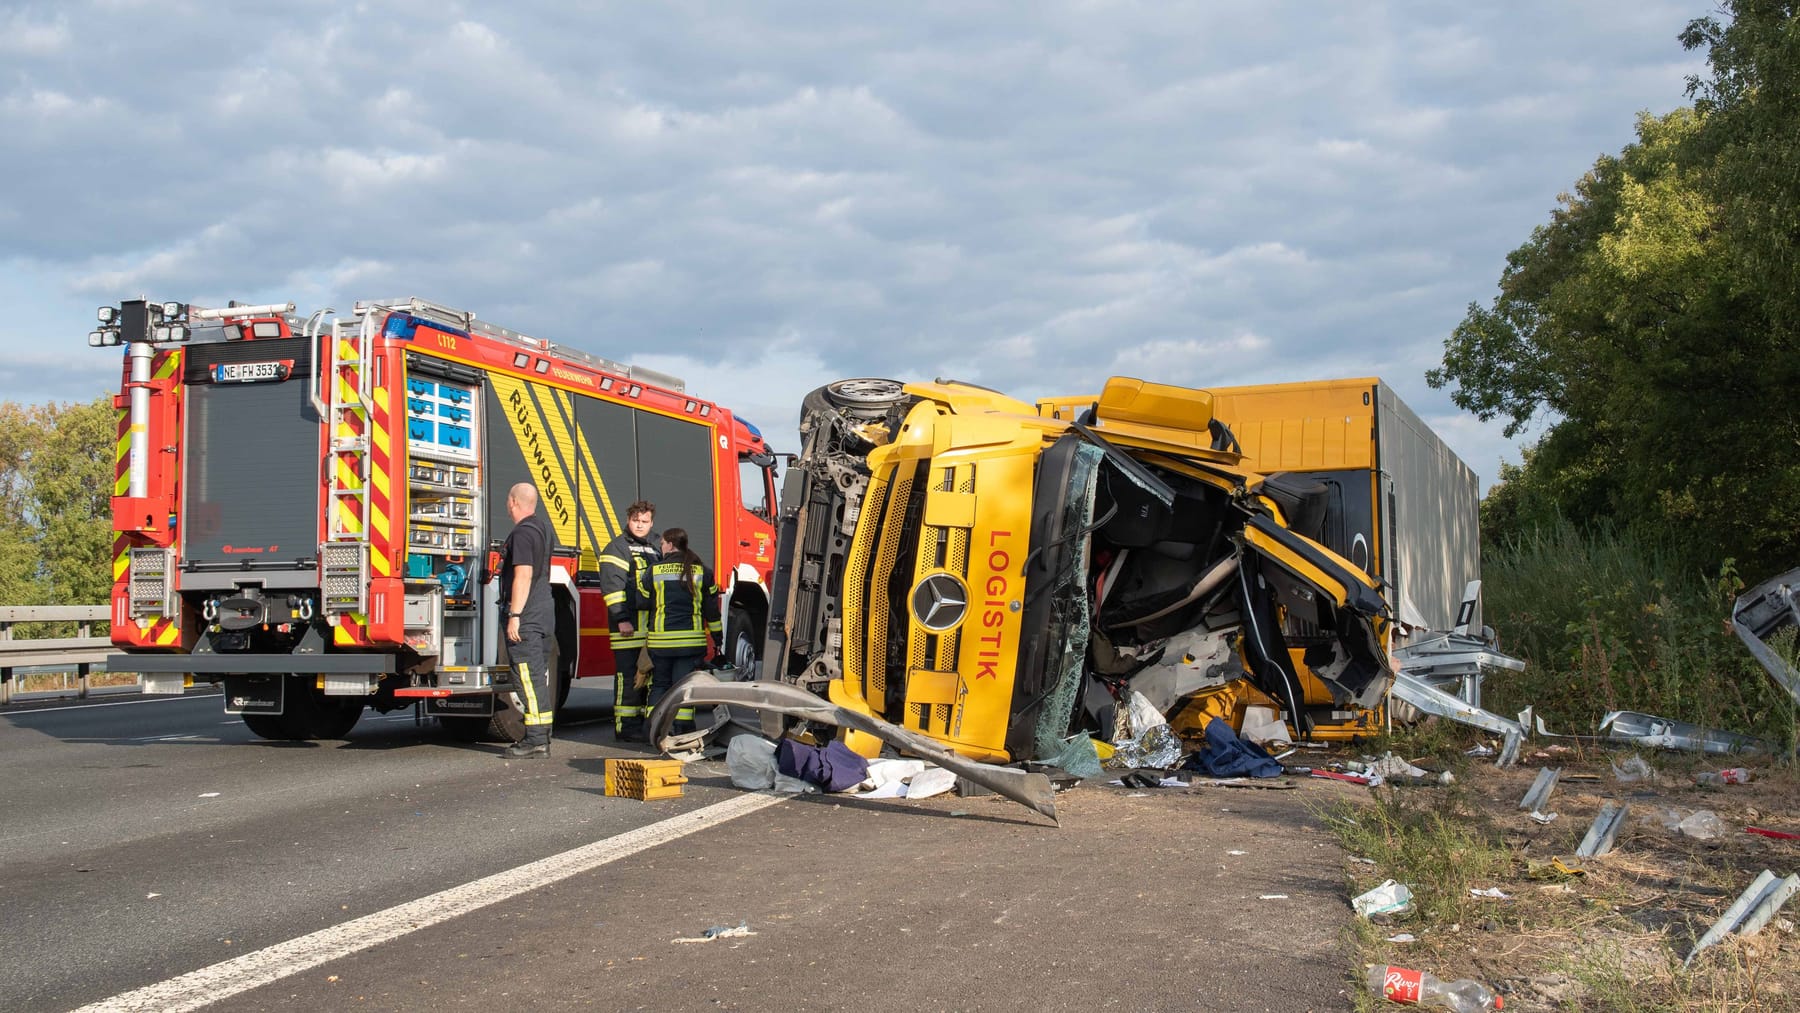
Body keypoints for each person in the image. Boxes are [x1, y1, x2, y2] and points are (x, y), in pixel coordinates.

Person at [632, 527, 721, 736]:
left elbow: (641, 602)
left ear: (671, 545)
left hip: (660, 644)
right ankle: (682, 729)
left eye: (662, 544)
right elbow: (712, 611)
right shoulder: (703, 572)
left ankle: (654, 729)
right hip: (690, 644)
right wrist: (718, 638)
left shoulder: (653, 571)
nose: (661, 547)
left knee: (660, 686)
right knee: (683, 687)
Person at [498, 482, 555, 758]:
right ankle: (542, 735)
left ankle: (535, 740)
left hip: (528, 616)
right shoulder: (541, 528)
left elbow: (523, 574)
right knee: (535, 678)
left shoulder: (521, 534)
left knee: (527, 679)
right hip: (543, 613)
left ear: (512, 502)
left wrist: (515, 615)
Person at [598, 500, 658, 741]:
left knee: (647, 678)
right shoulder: (616, 548)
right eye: (636, 520)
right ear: (628, 520)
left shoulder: (655, 547)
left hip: (651, 630)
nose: (640, 525)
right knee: (628, 677)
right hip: (628, 629)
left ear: (651, 522)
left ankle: (642, 725)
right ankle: (626, 727)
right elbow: (613, 589)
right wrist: (622, 619)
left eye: (644, 521)